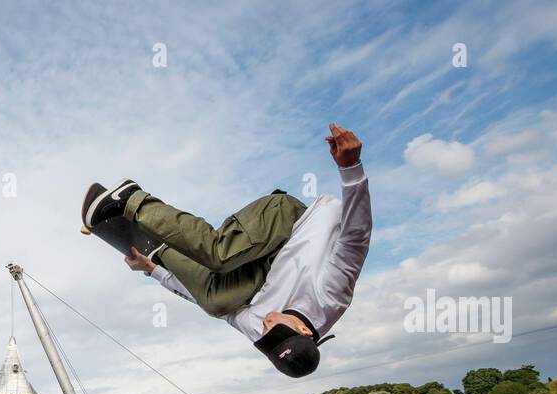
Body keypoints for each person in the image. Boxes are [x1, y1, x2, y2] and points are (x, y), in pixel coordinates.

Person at [84, 125, 370, 378]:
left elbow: (205, 299)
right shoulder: (331, 296)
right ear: (306, 330)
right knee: (220, 256)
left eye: (266, 335)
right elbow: (355, 237)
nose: (266, 322)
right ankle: (131, 198)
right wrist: (351, 168)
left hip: (267, 261)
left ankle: (159, 250)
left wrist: (155, 271)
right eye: (275, 327)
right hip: (288, 221)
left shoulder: (260, 330)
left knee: (218, 304)